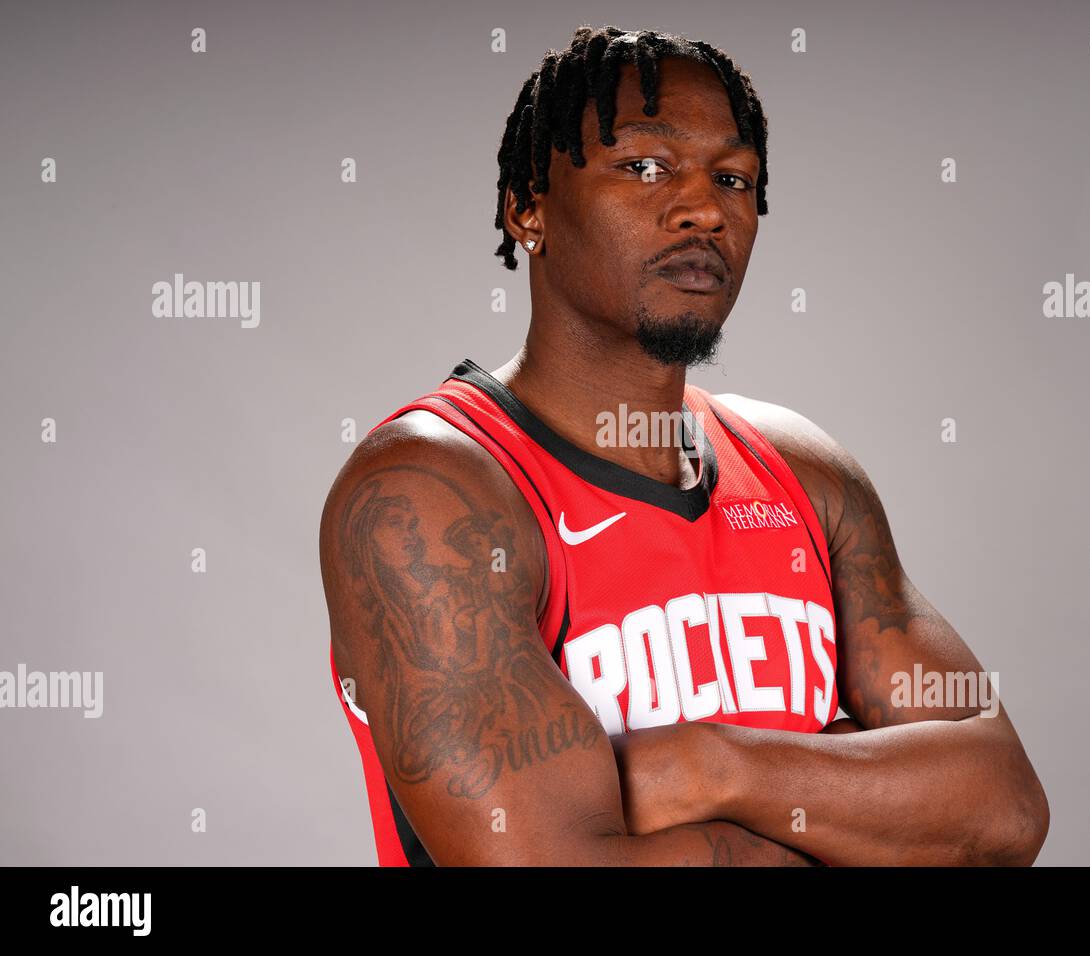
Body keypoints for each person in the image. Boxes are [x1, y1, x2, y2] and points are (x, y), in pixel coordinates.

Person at [318, 24, 1049, 866]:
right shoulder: (430, 492)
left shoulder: (803, 473)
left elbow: (1003, 810)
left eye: (734, 179)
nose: (704, 209)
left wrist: (708, 766)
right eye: (644, 167)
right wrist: (864, 809)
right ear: (528, 206)